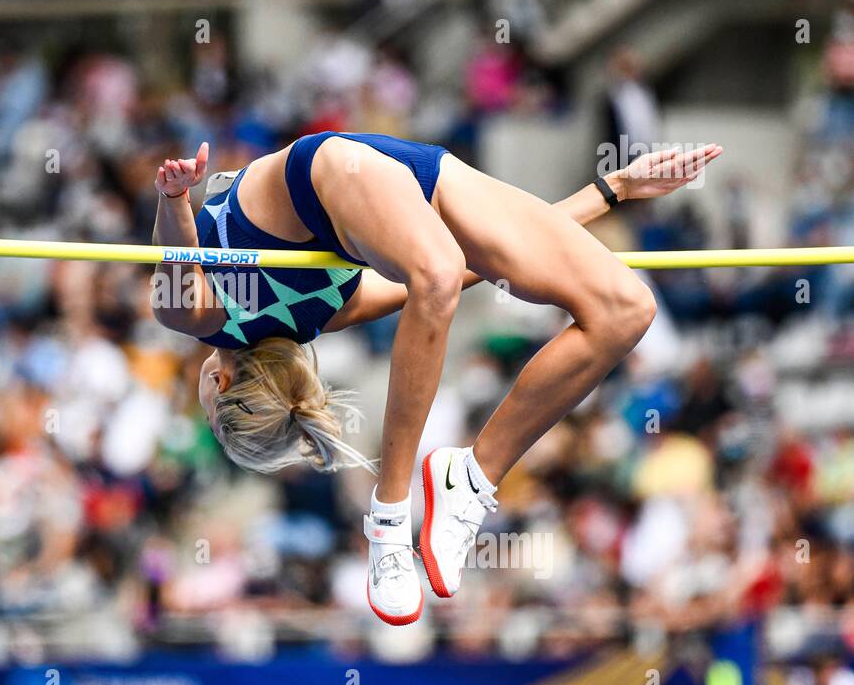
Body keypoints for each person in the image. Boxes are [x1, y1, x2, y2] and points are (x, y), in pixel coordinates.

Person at [150, 132, 721, 625]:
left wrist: (175, 199)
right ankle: (471, 475)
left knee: (437, 275)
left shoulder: (216, 313)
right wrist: (613, 190)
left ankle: (390, 513)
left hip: (333, 173)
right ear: (219, 390)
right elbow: (481, 264)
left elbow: (177, 264)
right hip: (414, 179)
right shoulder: (310, 312)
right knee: (625, 309)